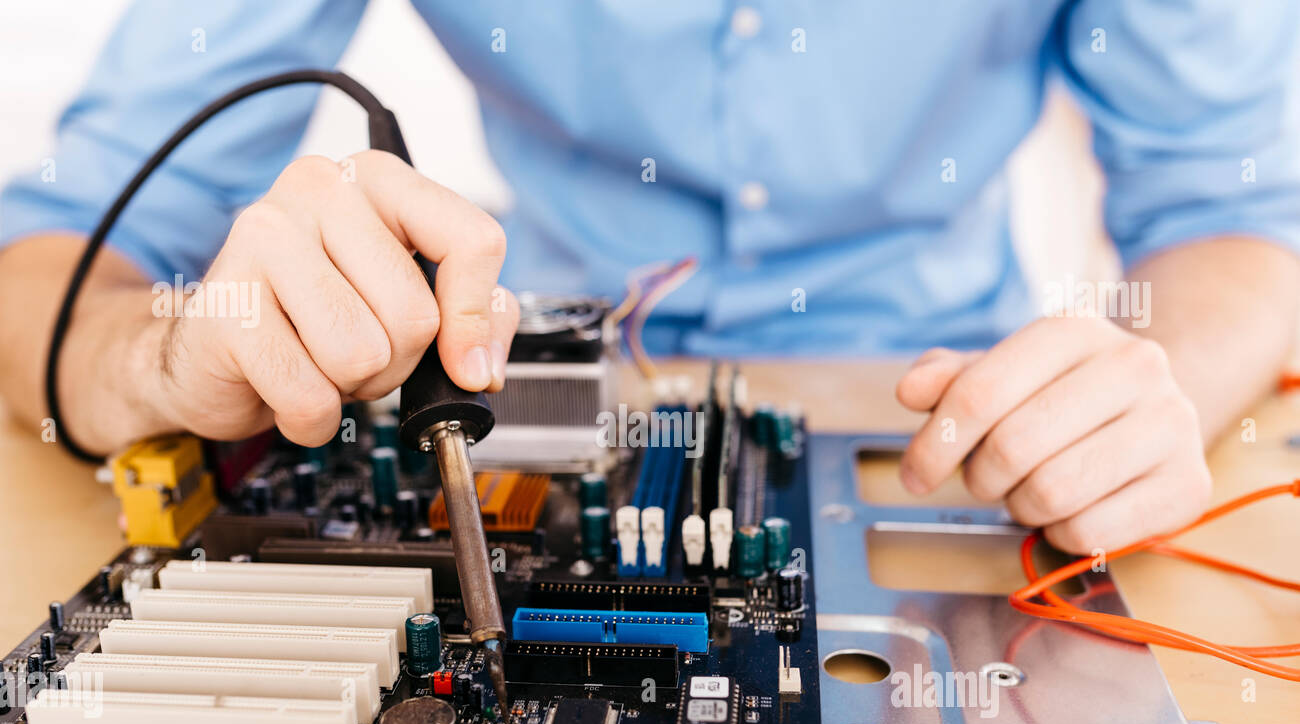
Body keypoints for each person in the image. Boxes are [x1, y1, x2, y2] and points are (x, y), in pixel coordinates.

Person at [1, 2, 1297, 555]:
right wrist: (163, 349)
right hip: (533, 393)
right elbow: (55, 245)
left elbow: (1240, 210)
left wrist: (1148, 387)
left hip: (950, 438)